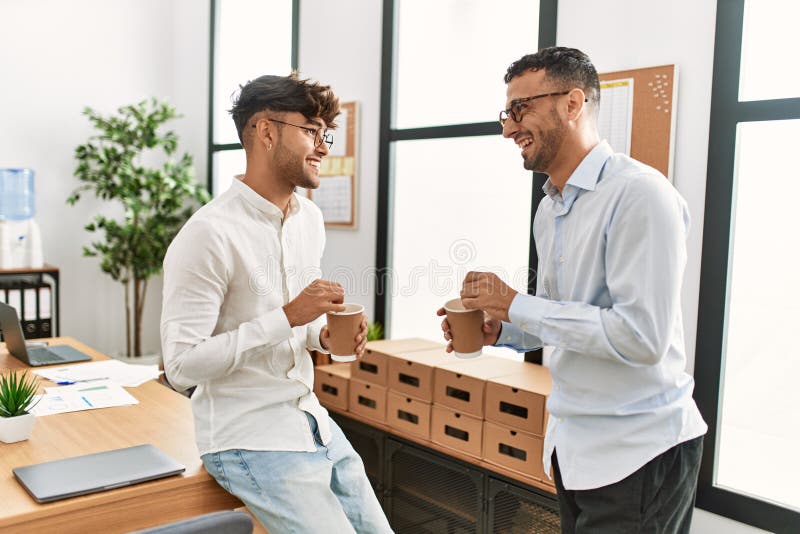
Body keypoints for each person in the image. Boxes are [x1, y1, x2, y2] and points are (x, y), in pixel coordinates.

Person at [438, 47, 707, 533]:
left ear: (573, 103)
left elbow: (640, 339)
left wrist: (517, 302)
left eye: (521, 110)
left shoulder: (640, 195)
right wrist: (503, 329)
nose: (507, 129)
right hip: (576, 449)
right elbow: (568, 320)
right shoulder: (551, 207)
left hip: (639, 452)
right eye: (506, 113)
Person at [161, 73, 392, 534]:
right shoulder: (209, 233)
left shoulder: (309, 219)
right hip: (248, 437)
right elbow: (181, 366)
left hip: (312, 423)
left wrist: (321, 335)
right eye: (311, 131)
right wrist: (287, 316)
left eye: (325, 133)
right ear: (266, 132)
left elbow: (298, 328)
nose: (324, 146)